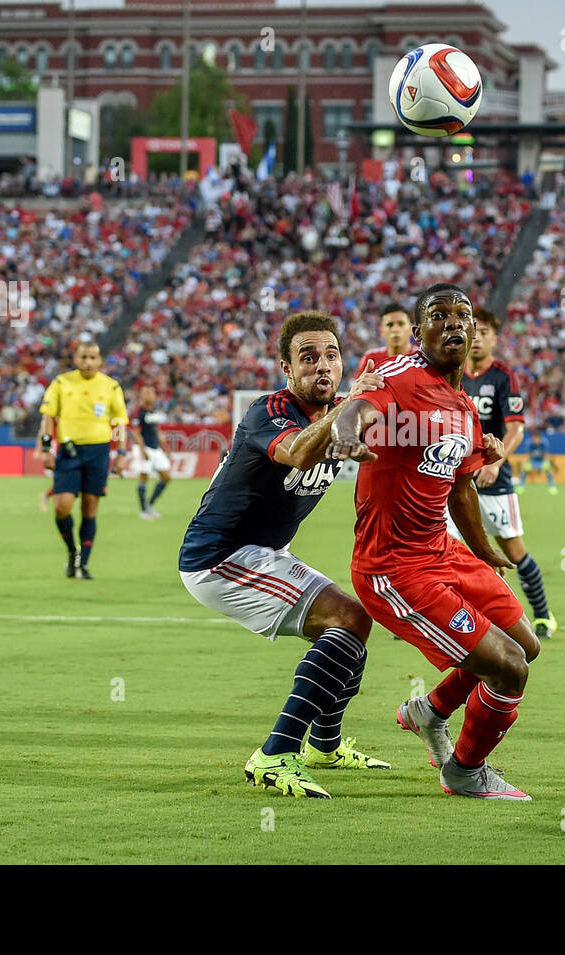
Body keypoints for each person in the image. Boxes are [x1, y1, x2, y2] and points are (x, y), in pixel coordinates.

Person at [329, 282, 540, 801]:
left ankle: (431, 711)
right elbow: (360, 406)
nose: (453, 323)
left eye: (462, 315)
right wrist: (347, 433)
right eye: (438, 315)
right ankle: (465, 772)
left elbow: (462, 487)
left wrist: (484, 549)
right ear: (419, 331)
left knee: (526, 646)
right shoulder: (397, 377)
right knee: (507, 667)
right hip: (393, 568)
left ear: (475, 331)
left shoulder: (464, 406)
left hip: (445, 552)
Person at [179, 312, 389, 799]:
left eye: (331, 356)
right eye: (308, 357)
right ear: (286, 368)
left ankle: (324, 746)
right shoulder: (267, 411)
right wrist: (352, 404)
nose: (322, 365)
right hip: (220, 557)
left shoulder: (340, 411)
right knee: (346, 618)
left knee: (355, 620)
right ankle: (274, 754)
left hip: (264, 551)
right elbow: (297, 452)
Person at [447, 307, 557, 640]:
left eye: (484, 333)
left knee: (512, 551)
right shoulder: (450, 373)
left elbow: (516, 429)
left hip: (493, 480)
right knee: (449, 550)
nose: (477, 338)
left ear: (495, 338)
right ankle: (451, 618)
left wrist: (495, 463)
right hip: (452, 479)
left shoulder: (503, 376)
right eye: (473, 331)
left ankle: (542, 615)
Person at [36, 342, 129, 580]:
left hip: (98, 452)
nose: (88, 362)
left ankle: (83, 564)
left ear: (100, 361)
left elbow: (119, 422)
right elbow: (48, 417)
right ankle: (72, 550)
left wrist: (120, 453)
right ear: (76, 359)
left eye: (93, 357)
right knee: (61, 506)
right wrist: (46, 449)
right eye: (84, 357)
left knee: (89, 507)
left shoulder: (111, 386)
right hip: (68, 452)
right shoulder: (61, 383)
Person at [130, 385, 171, 520]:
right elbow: (135, 432)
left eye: (151, 393)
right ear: (141, 396)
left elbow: (156, 429)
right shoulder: (138, 412)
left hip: (156, 448)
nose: (149, 395)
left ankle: (150, 504)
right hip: (144, 448)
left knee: (166, 477)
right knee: (144, 477)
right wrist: (142, 449)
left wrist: (164, 444)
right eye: (146, 393)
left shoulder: (154, 411)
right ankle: (144, 511)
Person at [356, 300, 412, 376]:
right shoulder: (371, 358)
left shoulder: (423, 359)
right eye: (390, 325)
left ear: (411, 329)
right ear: (381, 330)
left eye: (401, 324)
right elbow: (358, 386)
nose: (395, 329)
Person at [516, 430, 557, 495]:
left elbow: (546, 454)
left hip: (541, 461)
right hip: (532, 461)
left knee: (549, 470)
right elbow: (528, 455)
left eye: (537, 439)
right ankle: (521, 486)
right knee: (524, 471)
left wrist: (546, 462)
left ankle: (552, 487)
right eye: (534, 438)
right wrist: (527, 463)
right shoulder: (529, 443)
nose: (536, 440)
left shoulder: (544, 443)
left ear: (540, 438)